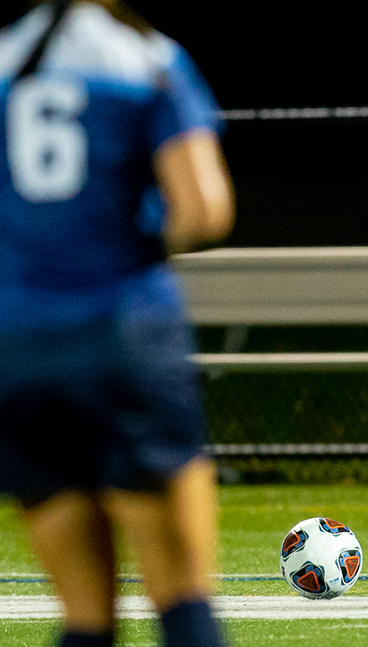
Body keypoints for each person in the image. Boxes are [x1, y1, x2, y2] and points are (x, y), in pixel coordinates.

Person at [0, 2, 234, 646]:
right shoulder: (147, 59)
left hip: (19, 346)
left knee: (83, 617)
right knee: (183, 601)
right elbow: (203, 209)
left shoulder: (5, 60)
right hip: (121, 333)